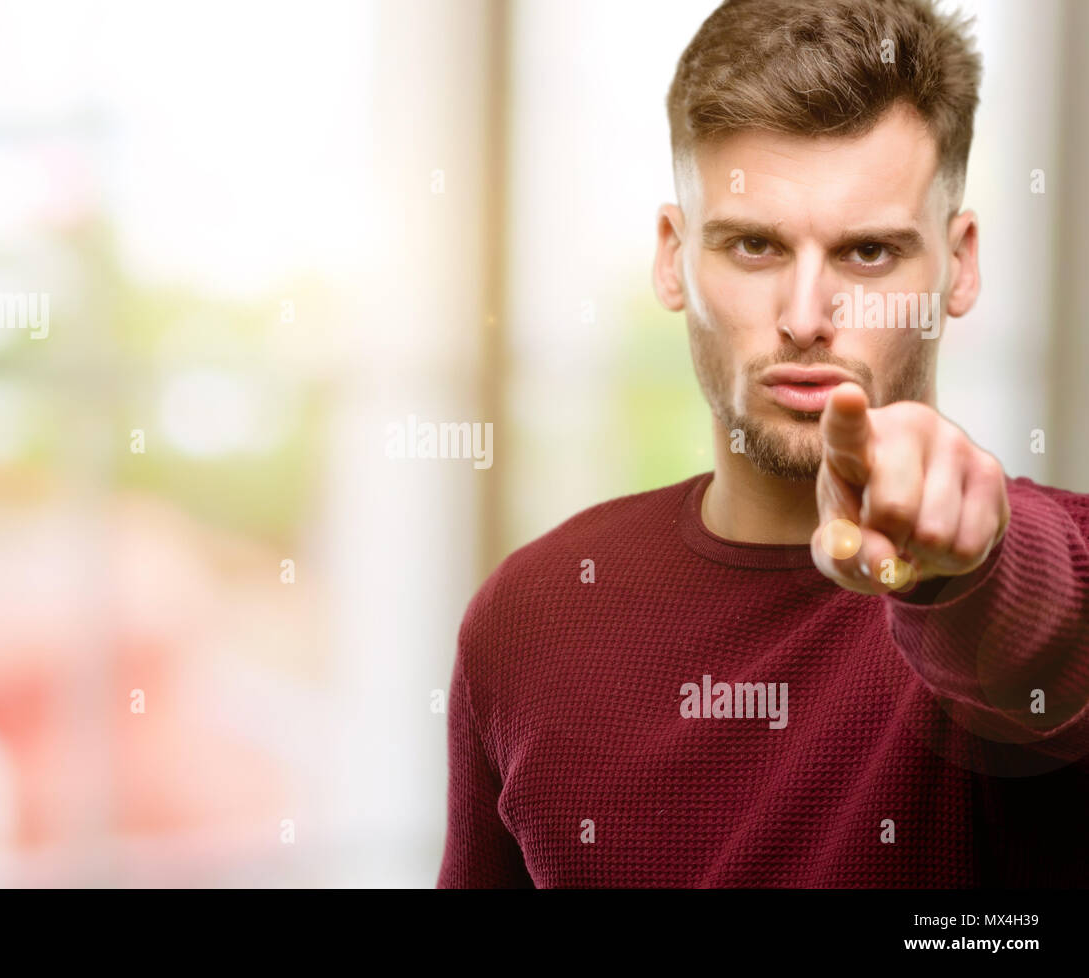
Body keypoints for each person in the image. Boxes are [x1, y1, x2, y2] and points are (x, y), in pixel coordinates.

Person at [437, 0, 1089, 887]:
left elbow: (1048, 629)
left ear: (960, 264)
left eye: (867, 253)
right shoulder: (528, 614)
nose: (805, 318)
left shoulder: (1039, 573)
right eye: (753, 246)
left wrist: (968, 571)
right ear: (673, 257)